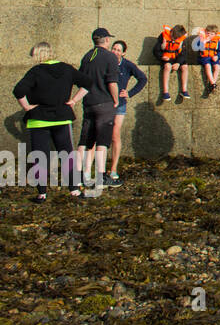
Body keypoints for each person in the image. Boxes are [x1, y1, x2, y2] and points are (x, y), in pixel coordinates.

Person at [12, 43, 89, 202]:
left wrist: (27, 107)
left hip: (39, 119)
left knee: (40, 157)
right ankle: (74, 190)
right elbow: (88, 83)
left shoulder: (36, 71)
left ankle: (42, 194)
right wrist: (74, 100)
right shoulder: (67, 69)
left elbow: (18, 90)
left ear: (37, 55)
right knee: (67, 154)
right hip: (62, 117)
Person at [76, 27, 120, 193]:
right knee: (102, 141)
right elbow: (112, 82)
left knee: (85, 140)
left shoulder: (87, 56)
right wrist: (115, 99)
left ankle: (79, 175)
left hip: (88, 103)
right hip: (104, 103)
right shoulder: (110, 57)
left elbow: (81, 80)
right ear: (107, 40)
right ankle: (101, 176)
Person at [107, 40, 147, 187]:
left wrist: (129, 93)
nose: (115, 52)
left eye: (118, 50)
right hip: (105, 103)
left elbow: (142, 79)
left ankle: (113, 169)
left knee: (114, 134)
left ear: (123, 53)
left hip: (120, 105)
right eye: (114, 49)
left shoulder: (127, 65)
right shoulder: (106, 62)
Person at [155, 23, 188, 102]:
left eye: (176, 38)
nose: (174, 39)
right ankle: (165, 92)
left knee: (185, 67)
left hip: (177, 58)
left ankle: (184, 90)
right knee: (168, 66)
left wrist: (178, 63)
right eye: (173, 36)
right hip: (167, 58)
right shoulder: (163, 36)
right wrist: (161, 57)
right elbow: (155, 50)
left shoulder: (182, 39)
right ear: (171, 31)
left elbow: (184, 53)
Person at [192, 24, 220, 94]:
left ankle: (213, 83)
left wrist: (217, 56)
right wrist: (204, 42)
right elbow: (197, 49)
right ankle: (213, 83)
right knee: (207, 66)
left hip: (213, 57)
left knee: (217, 67)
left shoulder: (217, 42)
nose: (209, 35)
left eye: (212, 34)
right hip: (204, 58)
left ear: (215, 35)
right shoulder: (202, 39)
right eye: (208, 33)